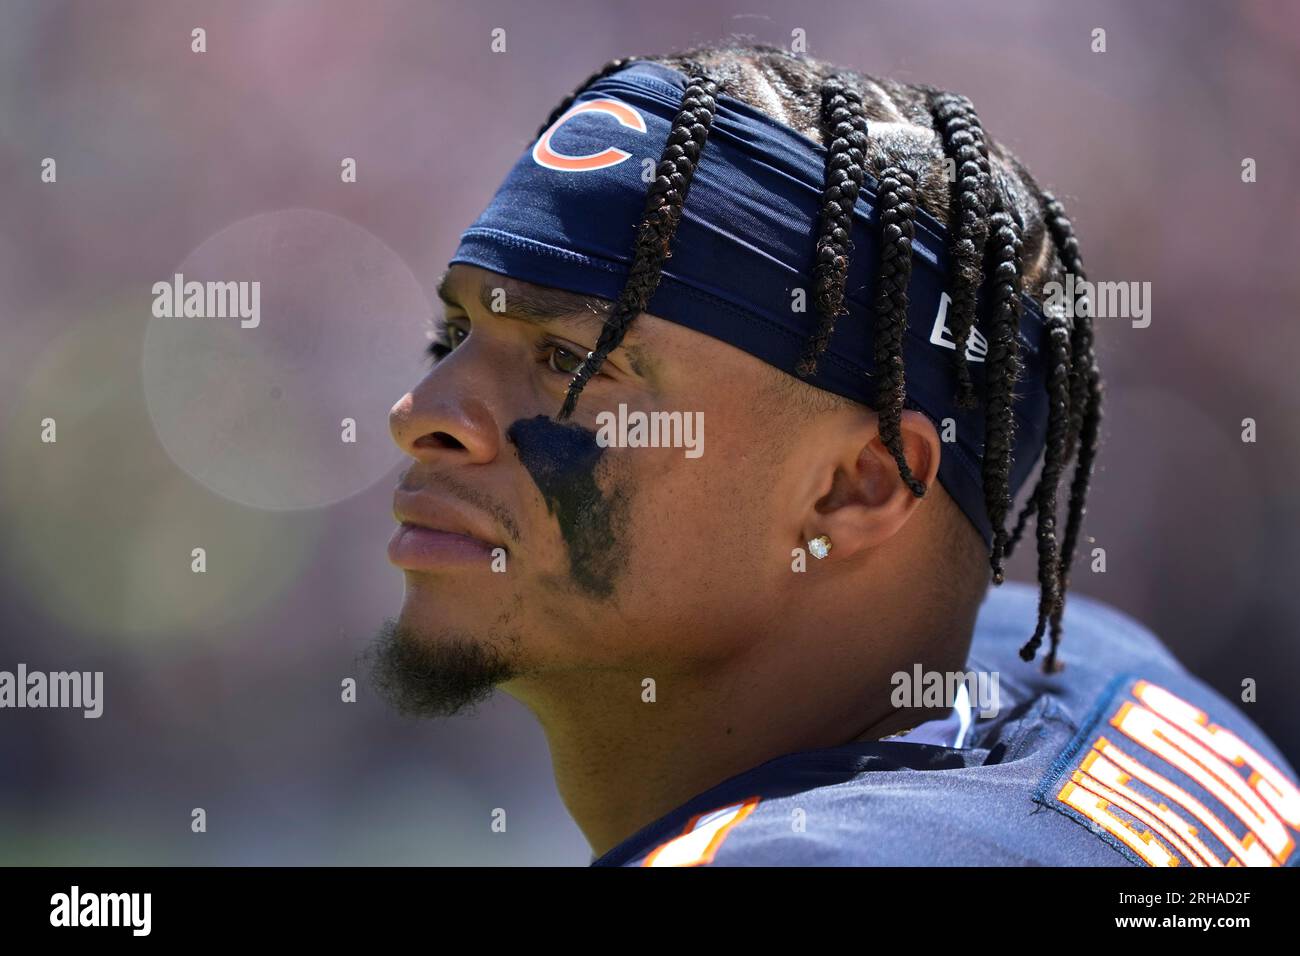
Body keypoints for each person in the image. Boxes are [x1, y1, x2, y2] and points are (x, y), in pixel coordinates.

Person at [371, 43, 1300, 866]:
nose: (421, 415)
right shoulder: (1093, 670)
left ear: (856, 487)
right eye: (453, 332)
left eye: (572, 362)